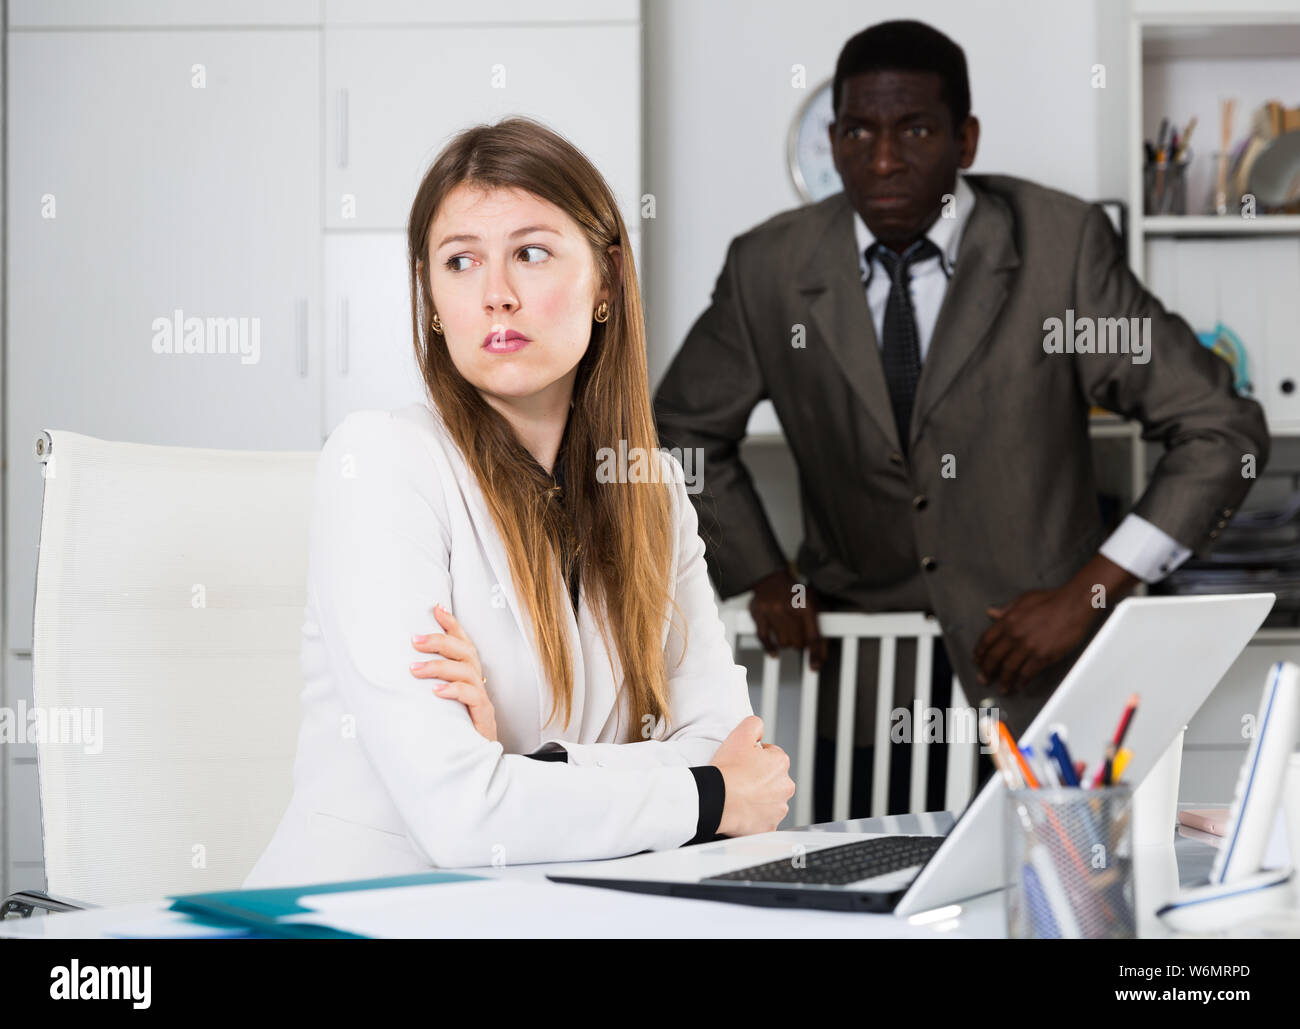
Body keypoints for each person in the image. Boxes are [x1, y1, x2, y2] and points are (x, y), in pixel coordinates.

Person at [653, 20, 1269, 820]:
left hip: (1045, 686)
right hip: (873, 692)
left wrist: (1090, 591)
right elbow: (677, 433)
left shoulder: (1063, 245)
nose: (882, 160)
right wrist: (764, 572)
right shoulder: (766, 267)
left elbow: (1221, 430)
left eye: (915, 129)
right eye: (857, 132)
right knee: (877, 902)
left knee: (1062, 903)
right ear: (834, 140)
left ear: (965, 139)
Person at [245, 117, 793, 887]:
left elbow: (734, 749)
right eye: (460, 262)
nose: (495, 295)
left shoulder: (651, 487)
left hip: (549, 909)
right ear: (431, 299)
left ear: (606, 279)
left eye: (530, 253)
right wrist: (706, 793)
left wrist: (525, 765)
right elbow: (463, 817)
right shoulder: (380, 462)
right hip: (360, 910)